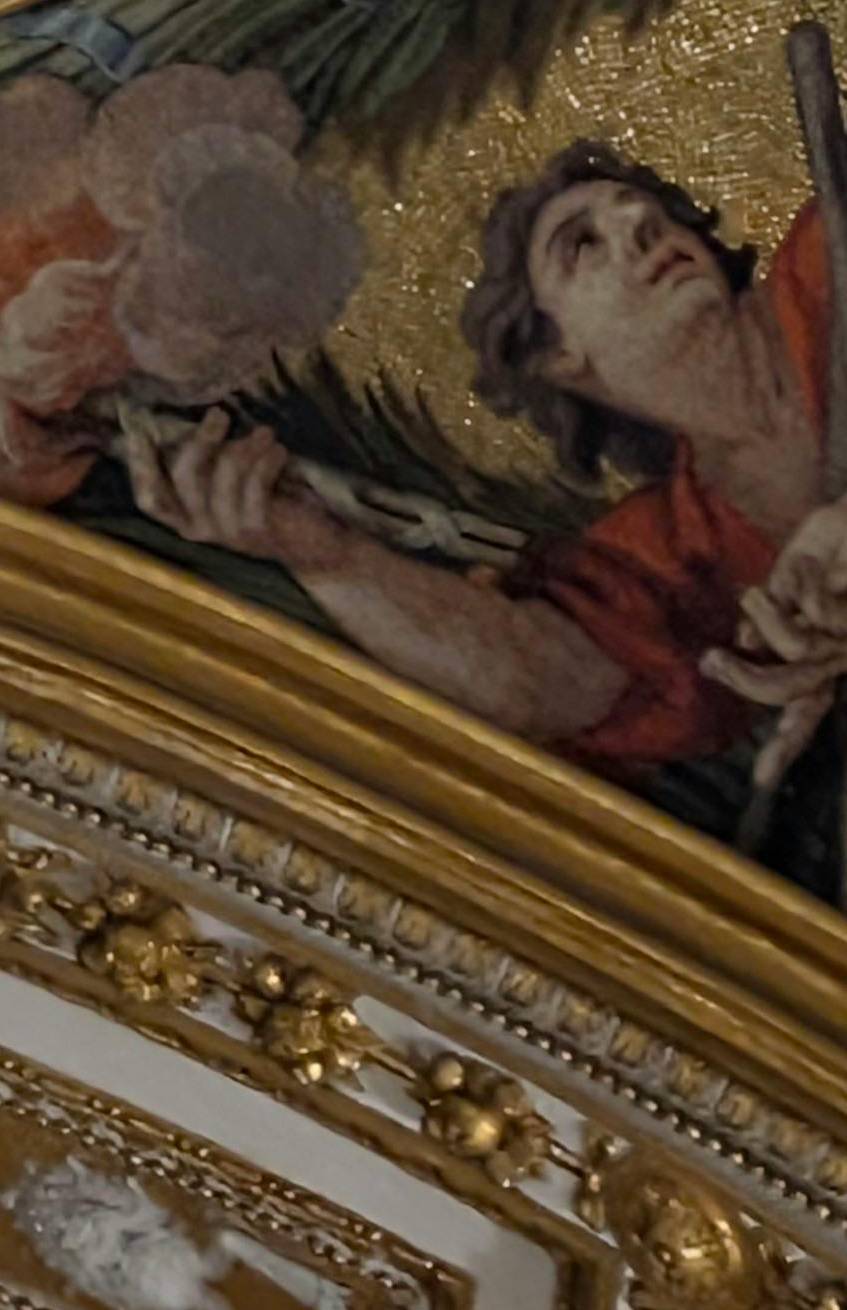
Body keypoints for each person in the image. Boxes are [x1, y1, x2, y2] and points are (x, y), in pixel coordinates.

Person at [131, 153, 847, 861]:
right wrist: (323, 554)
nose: (637, 222)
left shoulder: (829, 258)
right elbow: (534, 675)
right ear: (556, 357)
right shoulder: (666, 545)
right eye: (582, 243)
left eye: (650, 212)